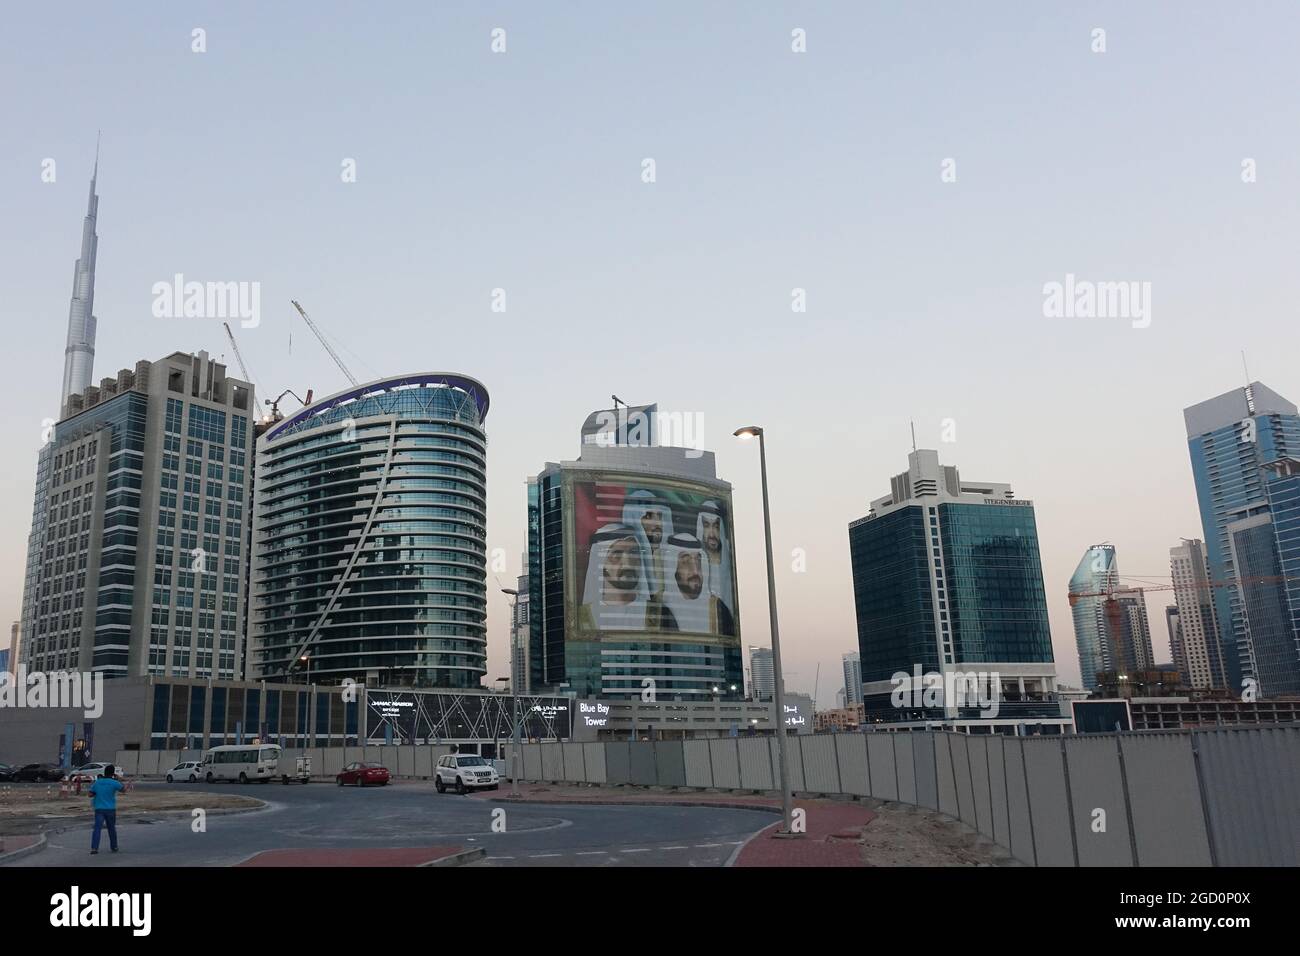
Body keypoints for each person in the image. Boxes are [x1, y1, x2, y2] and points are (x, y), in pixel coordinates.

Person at [577, 524, 650, 631]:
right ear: (600, 563)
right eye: (616, 556)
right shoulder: (584, 619)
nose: (628, 564)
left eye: (633, 553)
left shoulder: (658, 613)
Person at [622, 489, 674, 623]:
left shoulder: (673, 563)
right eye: (648, 516)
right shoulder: (627, 567)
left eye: (659, 516)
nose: (657, 524)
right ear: (634, 519)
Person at [696, 501, 736, 633]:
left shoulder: (730, 558)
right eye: (706, 525)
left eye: (716, 527)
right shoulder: (696, 566)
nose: (712, 533)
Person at [662, 533, 710, 633]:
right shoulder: (660, 611)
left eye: (698, 561)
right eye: (686, 562)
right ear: (672, 568)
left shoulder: (718, 610)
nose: (695, 571)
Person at [88, 765, 125, 855]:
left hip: (99, 808)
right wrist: (118, 779)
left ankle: (94, 848)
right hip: (110, 809)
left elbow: (90, 794)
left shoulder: (98, 782)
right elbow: (123, 790)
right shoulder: (114, 783)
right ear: (113, 773)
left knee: (97, 828)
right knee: (111, 828)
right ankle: (114, 846)